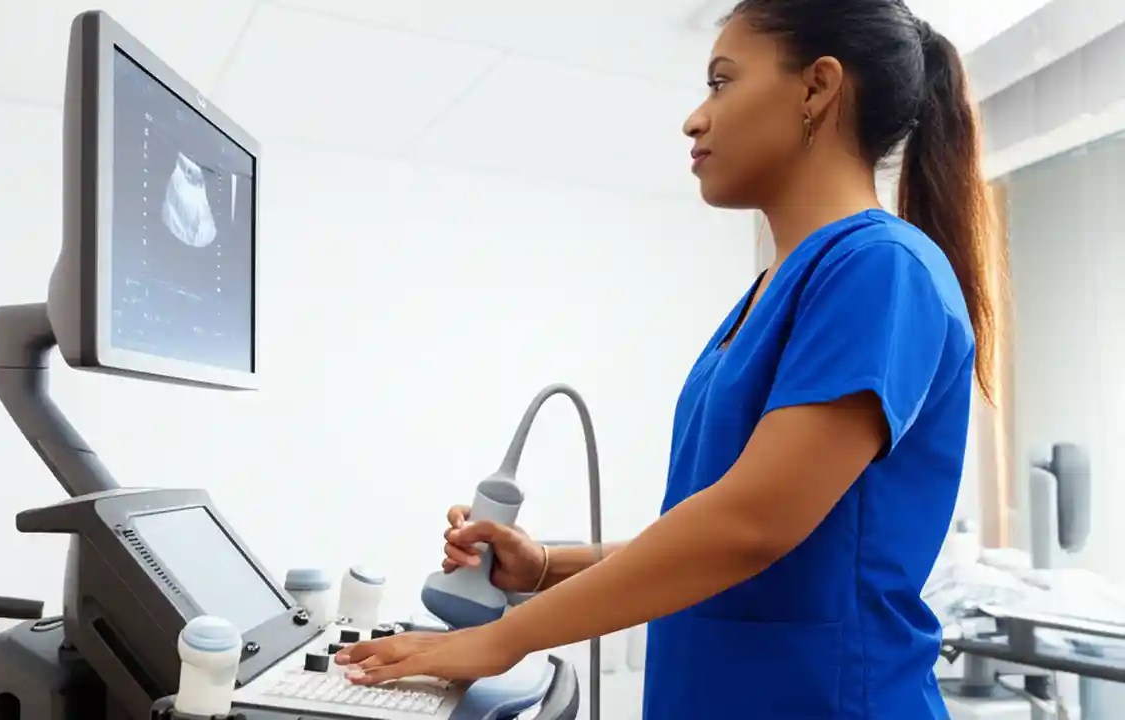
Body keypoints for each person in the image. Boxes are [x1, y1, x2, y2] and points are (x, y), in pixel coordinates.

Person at [335, 0, 999, 717]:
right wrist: (547, 566)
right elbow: (710, 524)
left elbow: (751, 524)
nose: (695, 118)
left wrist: (502, 640)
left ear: (817, 87)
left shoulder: (880, 268)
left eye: (720, 82)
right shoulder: (776, 289)